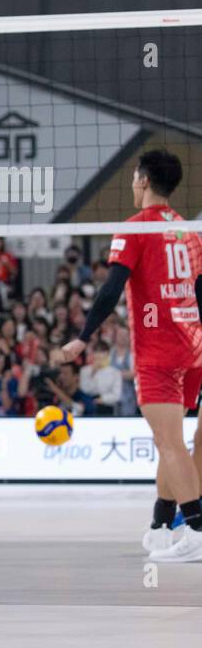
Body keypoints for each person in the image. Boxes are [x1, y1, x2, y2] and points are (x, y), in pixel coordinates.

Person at [57, 150, 202, 561]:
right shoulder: (187, 230)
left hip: (159, 351)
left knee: (170, 444)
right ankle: (160, 525)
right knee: (171, 444)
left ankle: (195, 530)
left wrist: (83, 338)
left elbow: (110, 289)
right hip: (194, 348)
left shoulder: (135, 227)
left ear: (141, 179)